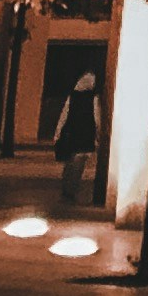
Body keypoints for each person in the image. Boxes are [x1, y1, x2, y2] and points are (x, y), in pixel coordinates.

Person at [50, 61, 107, 210]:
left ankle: (66, 190)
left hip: (71, 134)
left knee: (69, 163)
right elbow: (97, 118)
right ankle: (71, 190)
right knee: (78, 164)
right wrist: (99, 134)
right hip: (85, 135)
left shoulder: (73, 96)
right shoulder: (93, 98)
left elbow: (64, 115)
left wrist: (58, 133)